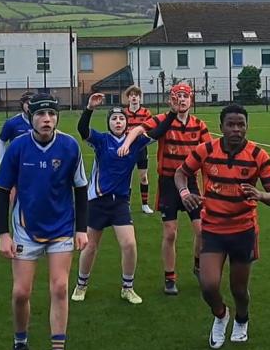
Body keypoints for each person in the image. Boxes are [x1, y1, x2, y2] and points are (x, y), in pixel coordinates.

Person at [0, 93, 88, 350]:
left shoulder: (70, 146)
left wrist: (82, 229)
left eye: (51, 114)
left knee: (59, 288)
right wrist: (3, 234)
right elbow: (2, 190)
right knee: (21, 293)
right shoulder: (18, 147)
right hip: (26, 229)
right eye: (40, 114)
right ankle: (20, 343)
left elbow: (80, 188)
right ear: (30, 117)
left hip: (61, 228)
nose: (47, 119)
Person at [175, 104, 270, 349]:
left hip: (243, 231)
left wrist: (261, 195)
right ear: (221, 126)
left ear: (247, 127)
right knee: (208, 285)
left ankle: (242, 319)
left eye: (241, 124)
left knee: (239, 289)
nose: (236, 129)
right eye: (231, 124)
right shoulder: (206, 150)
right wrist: (184, 193)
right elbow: (181, 173)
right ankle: (221, 315)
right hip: (213, 229)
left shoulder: (258, 155)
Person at [72, 93, 175, 304]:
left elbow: (158, 131)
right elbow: (82, 130)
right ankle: (81, 285)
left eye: (121, 119)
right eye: (114, 119)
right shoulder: (101, 140)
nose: (118, 122)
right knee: (90, 246)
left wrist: (172, 112)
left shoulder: (135, 143)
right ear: (108, 123)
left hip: (119, 202)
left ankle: (127, 288)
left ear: (126, 123)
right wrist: (89, 108)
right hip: (97, 201)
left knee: (129, 244)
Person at [119, 83, 211, 296]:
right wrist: (127, 143)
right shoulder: (163, 119)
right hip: (168, 183)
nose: (182, 100)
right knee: (170, 233)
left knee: (202, 231)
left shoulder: (199, 125)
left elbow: (210, 153)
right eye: (178, 97)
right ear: (171, 100)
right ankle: (170, 278)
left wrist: (211, 184)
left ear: (191, 100)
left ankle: (198, 266)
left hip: (190, 183)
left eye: (185, 97)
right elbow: (139, 129)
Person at [0, 91, 34, 248]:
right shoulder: (12, 123)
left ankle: (30, 234)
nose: (30, 106)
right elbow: (1, 142)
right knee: (8, 200)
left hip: (34, 170)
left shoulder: (40, 121)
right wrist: (4, 162)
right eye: (27, 103)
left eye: (32, 102)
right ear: (22, 104)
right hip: (16, 169)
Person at [122, 85, 155, 215]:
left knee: (143, 177)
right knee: (127, 178)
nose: (134, 97)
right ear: (128, 98)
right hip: (128, 149)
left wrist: (142, 137)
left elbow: (151, 129)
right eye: (131, 95)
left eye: (136, 95)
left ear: (140, 98)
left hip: (141, 149)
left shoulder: (146, 113)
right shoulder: (124, 113)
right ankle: (126, 205)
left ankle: (145, 205)